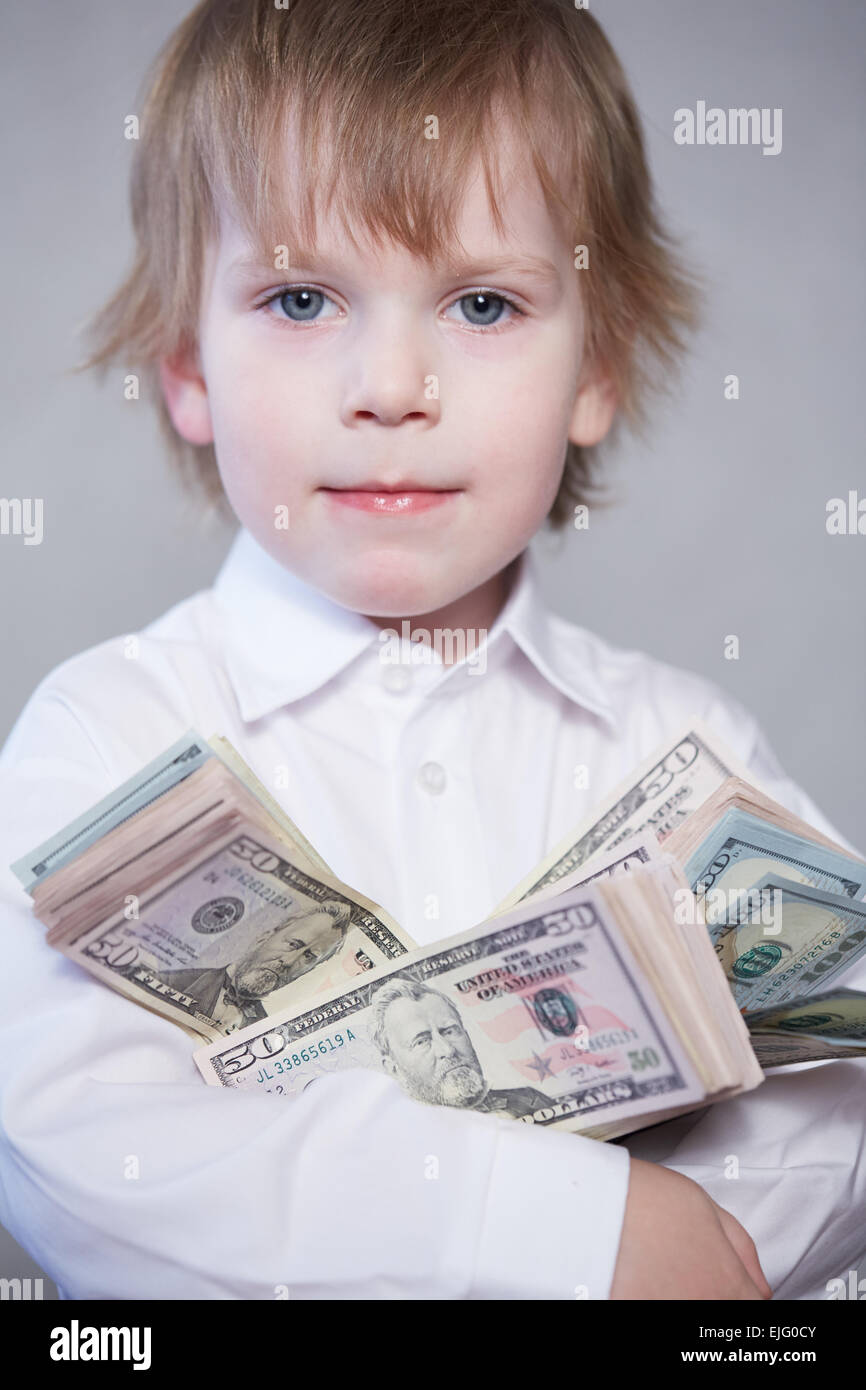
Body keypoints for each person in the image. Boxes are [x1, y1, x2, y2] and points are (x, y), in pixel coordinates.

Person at [0, 0, 863, 1302]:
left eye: (479, 301)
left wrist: (689, 1241)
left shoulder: (689, 751)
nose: (391, 383)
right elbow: (73, 1138)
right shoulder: (107, 735)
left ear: (596, 365)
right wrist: (554, 1231)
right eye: (300, 297)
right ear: (185, 362)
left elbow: (834, 1081)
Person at [370, 978, 552, 1118]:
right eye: (421, 1041)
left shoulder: (531, 1101)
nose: (447, 1050)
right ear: (393, 1068)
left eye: (450, 1031)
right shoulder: (392, 1146)